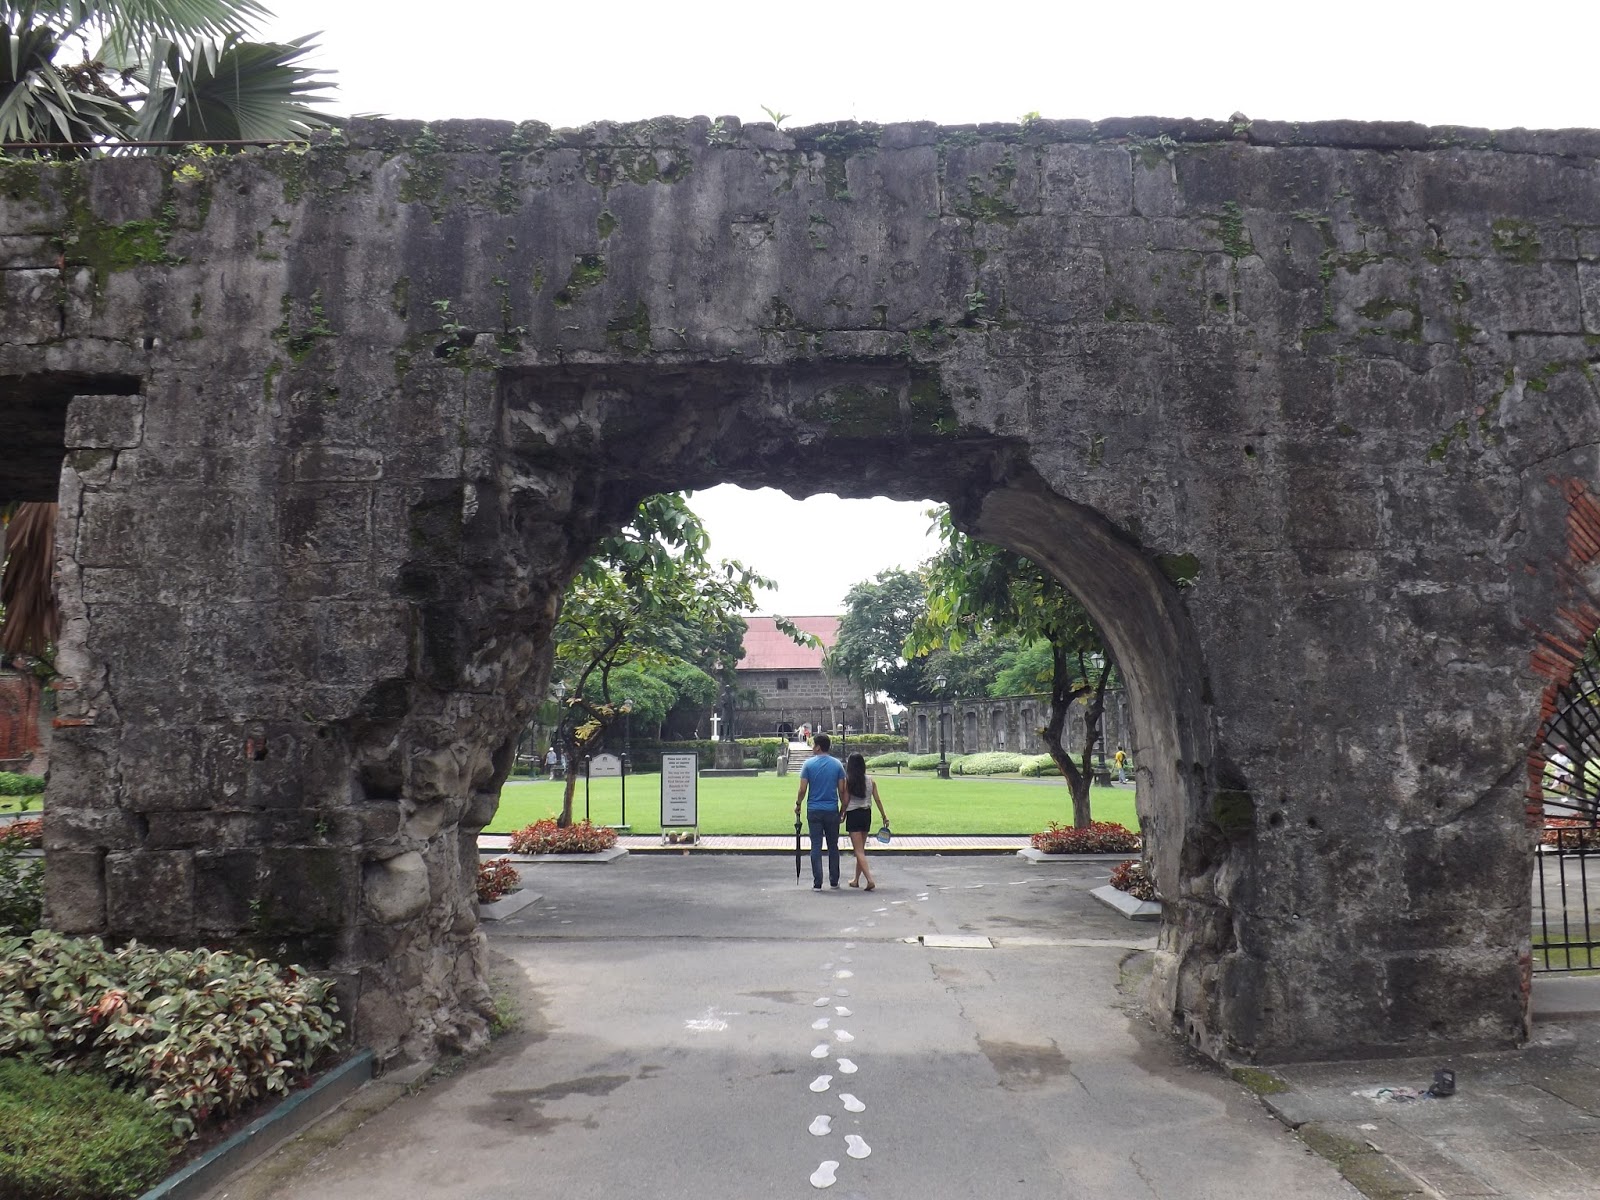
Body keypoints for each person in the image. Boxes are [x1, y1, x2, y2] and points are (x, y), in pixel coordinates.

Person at [795, 733, 845, 889]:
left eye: (813, 745)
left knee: (815, 846)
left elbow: (802, 789)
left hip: (814, 809)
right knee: (833, 846)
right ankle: (834, 880)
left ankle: (818, 882)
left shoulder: (808, 765)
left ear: (818, 746)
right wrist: (843, 809)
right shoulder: (837, 765)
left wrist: (798, 803)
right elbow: (842, 791)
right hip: (831, 809)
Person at [840, 752, 889, 891]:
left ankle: (869, 879)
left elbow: (845, 801)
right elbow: (877, 799)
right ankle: (856, 880)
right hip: (866, 813)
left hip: (854, 814)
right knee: (861, 849)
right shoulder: (870, 780)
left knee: (859, 851)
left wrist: (841, 814)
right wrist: (884, 816)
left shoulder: (849, 781)